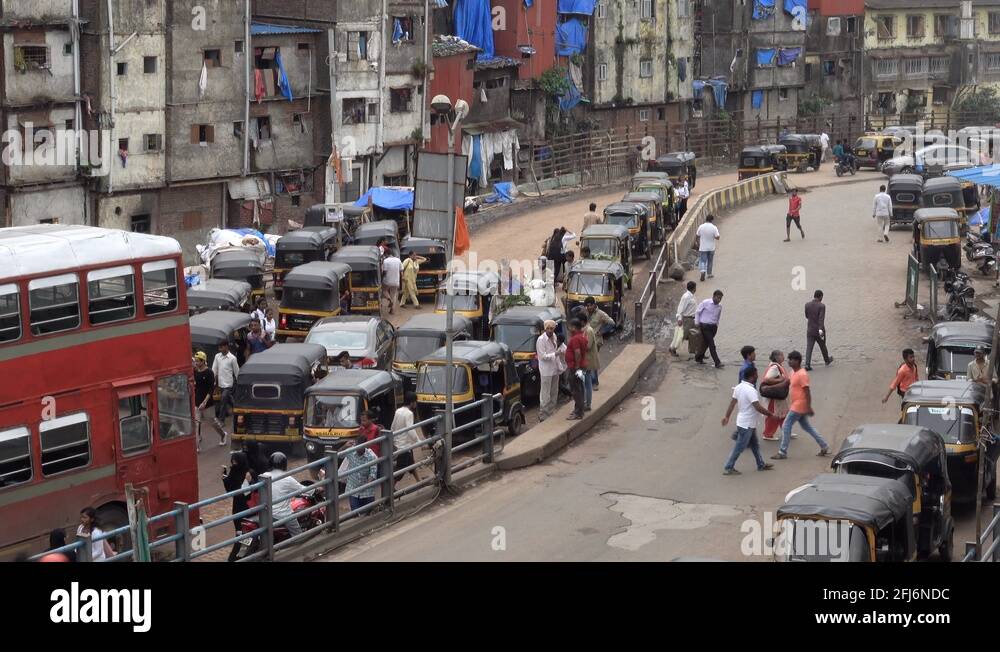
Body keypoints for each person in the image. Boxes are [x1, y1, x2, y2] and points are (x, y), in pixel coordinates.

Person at [772, 351, 829, 460]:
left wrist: (808, 406)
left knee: (786, 425)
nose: (789, 361)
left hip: (799, 405)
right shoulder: (793, 372)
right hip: (797, 404)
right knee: (807, 427)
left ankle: (782, 452)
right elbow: (786, 383)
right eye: (789, 359)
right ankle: (824, 446)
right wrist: (770, 388)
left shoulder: (802, 374)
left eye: (791, 359)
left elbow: (807, 391)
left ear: (797, 361)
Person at [721, 365, 775, 475]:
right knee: (739, 447)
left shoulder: (739, 387)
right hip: (747, 424)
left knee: (755, 445)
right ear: (752, 376)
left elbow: (732, 403)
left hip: (745, 422)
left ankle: (761, 464)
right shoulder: (751, 390)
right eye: (756, 374)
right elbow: (757, 406)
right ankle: (728, 467)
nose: (757, 376)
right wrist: (770, 414)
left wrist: (727, 416)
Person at [261, 452, 309, 537]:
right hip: (283, 514)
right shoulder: (287, 478)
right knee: (298, 535)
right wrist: (316, 488)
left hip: (267, 513)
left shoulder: (264, 475)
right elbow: (303, 489)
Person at [222, 451, 254, 561]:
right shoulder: (233, 472)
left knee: (245, 533)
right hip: (237, 509)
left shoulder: (249, 473)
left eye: (235, 461)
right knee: (240, 533)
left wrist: (249, 482)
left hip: (248, 508)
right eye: (232, 461)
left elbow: (247, 493)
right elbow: (230, 491)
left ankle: (239, 556)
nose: (233, 464)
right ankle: (240, 555)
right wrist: (225, 478)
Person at [536, 319, 567, 422]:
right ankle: (543, 415)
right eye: (548, 328)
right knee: (545, 393)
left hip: (555, 369)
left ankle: (551, 412)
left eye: (551, 328)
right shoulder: (541, 340)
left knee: (554, 392)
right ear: (545, 329)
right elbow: (542, 356)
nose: (550, 330)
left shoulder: (554, 337)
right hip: (546, 371)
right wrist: (556, 354)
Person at [391, 393, 426, 482]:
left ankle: (419, 481)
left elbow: (392, 427)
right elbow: (410, 430)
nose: (416, 404)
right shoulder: (409, 413)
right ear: (412, 402)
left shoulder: (398, 411)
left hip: (399, 443)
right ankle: (391, 488)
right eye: (415, 402)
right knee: (401, 470)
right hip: (404, 446)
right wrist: (419, 442)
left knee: (411, 463)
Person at [339, 435, 379, 512]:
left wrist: (366, 485)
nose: (358, 448)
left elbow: (373, 474)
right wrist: (344, 446)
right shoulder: (351, 451)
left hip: (367, 492)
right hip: (353, 490)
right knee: (355, 514)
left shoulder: (371, 456)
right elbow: (338, 455)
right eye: (357, 445)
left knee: (369, 514)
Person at [193, 351, 222, 453]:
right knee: (196, 425)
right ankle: (196, 446)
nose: (196, 363)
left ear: (203, 361)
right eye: (195, 361)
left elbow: (211, 389)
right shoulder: (195, 372)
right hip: (197, 403)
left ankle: (223, 435)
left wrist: (205, 402)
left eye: (198, 361)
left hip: (207, 404)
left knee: (212, 422)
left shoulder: (209, 372)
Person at [211, 339, 238, 446]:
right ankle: (239, 411)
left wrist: (238, 384)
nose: (220, 349)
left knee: (223, 398)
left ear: (227, 347)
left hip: (229, 385)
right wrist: (212, 381)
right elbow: (214, 370)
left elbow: (237, 372)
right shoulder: (217, 357)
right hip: (221, 385)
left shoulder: (232, 359)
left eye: (222, 347)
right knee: (230, 401)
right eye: (219, 348)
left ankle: (221, 420)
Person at [584, 296, 615, 389]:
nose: (588, 307)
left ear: (594, 305)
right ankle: (589, 381)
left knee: (592, 360)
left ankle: (594, 383)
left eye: (590, 305)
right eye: (587, 306)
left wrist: (602, 331)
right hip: (586, 341)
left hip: (596, 341)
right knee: (587, 361)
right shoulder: (586, 313)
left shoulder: (600, 314)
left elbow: (612, 323)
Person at [760, 350, 790, 441]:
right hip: (774, 397)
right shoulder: (774, 368)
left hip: (778, 396)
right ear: (777, 357)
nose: (784, 357)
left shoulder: (777, 366)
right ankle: (768, 434)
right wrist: (781, 380)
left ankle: (786, 430)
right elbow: (767, 379)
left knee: (783, 414)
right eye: (782, 355)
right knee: (774, 414)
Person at [565, 318, 589, 420]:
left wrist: (576, 366)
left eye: (570, 327)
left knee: (575, 390)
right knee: (579, 388)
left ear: (574, 327)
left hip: (575, 367)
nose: (569, 329)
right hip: (580, 366)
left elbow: (577, 352)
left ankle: (578, 412)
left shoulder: (575, 339)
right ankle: (578, 409)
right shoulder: (582, 337)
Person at [804, 290, 834, 370]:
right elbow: (821, 319)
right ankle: (827, 360)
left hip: (810, 330)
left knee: (809, 348)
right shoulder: (822, 306)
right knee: (823, 346)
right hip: (818, 330)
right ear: (820, 296)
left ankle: (807, 364)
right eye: (822, 297)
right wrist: (820, 329)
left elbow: (806, 316)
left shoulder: (807, 305)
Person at [694, 290, 724, 368]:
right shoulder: (705, 302)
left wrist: (716, 325)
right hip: (705, 326)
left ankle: (698, 357)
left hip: (713, 328)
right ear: (713, 296)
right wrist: (697, 323)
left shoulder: (720, 306)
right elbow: (697, 312)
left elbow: (718, 317)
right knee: (712, 344)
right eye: (718, 298)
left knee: (706, 343)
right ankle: (717, 362)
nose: (719, 300)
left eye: (720, 298)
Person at [671, 281, 699, 358]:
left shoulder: (692, 296)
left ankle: (695, 351)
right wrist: (679, 318)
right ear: (694, 288)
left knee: (694, 335)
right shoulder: (686, 297)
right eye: (695, 287)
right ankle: (673, 348)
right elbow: (680, 309)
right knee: (682, 335)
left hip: (692, 319)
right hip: (687, 320)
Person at [695, 214, 720, 281]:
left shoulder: (701, 226)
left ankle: (703, 271)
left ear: (706, 219)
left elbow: (697, 236)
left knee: (703, 260)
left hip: (703, 247)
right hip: (711, 248)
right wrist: (713, 236)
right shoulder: (714, 227)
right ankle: (709, 274)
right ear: (712, 220)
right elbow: (718, 237)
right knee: (710, 261)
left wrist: (698, 244)